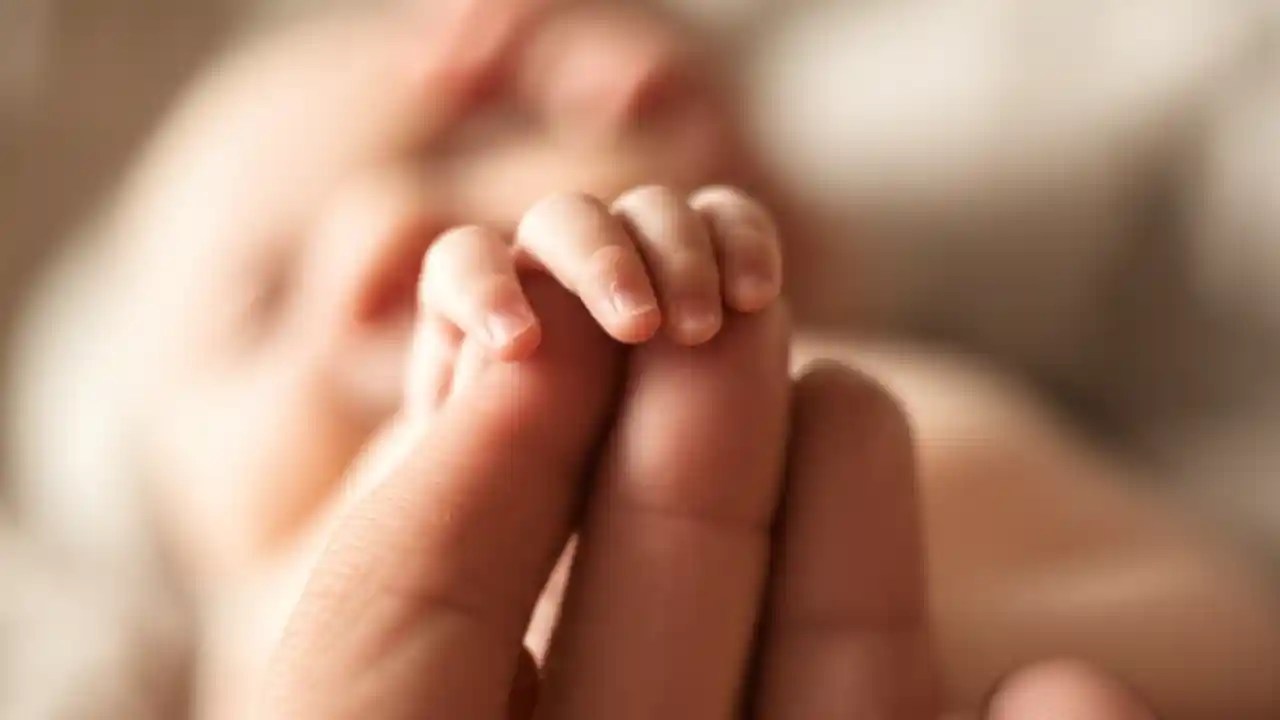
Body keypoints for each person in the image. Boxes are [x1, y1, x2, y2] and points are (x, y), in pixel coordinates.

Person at [5, 0, 1278, 717]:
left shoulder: (910, 383)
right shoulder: (262, 611)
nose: (388, 233)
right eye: (260, 302)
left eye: (474, 141)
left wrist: (944, 656)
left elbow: (1234, 631)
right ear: (172, 533)